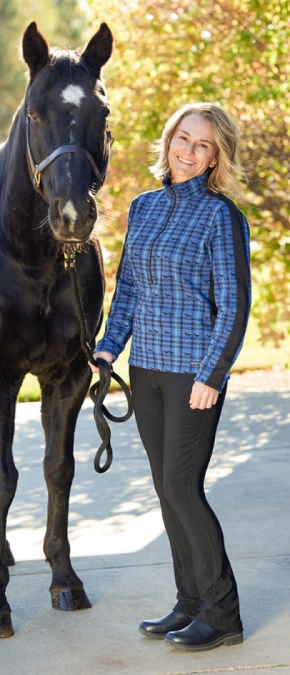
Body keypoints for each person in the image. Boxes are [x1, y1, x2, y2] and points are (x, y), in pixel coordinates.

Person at [93, 101, 250, 652]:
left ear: (215, 156)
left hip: (193, 375)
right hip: (148, 371)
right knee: (166, 490)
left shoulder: (221, 216)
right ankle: (189, 603)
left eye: (202, 144)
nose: (188, 151)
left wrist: (213, 373)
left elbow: (233, 305)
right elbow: (130, 289)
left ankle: (223, 612)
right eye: (183, 138)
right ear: (168, 139)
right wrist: (108, 349)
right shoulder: (144, 207)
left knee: (184, 488)